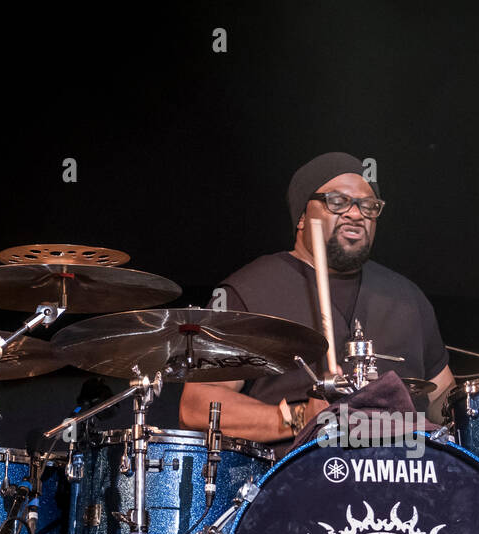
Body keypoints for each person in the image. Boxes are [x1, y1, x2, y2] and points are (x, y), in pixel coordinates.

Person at [180, 152, 454, 449]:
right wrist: (296, 418)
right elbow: (195, 407)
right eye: (337, 202)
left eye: (368, 206)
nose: (355, 213)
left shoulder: (408, 297)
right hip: (297, 481)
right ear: (302, 217)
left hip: (404, 478)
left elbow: (443, 397)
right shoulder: (251, 290)